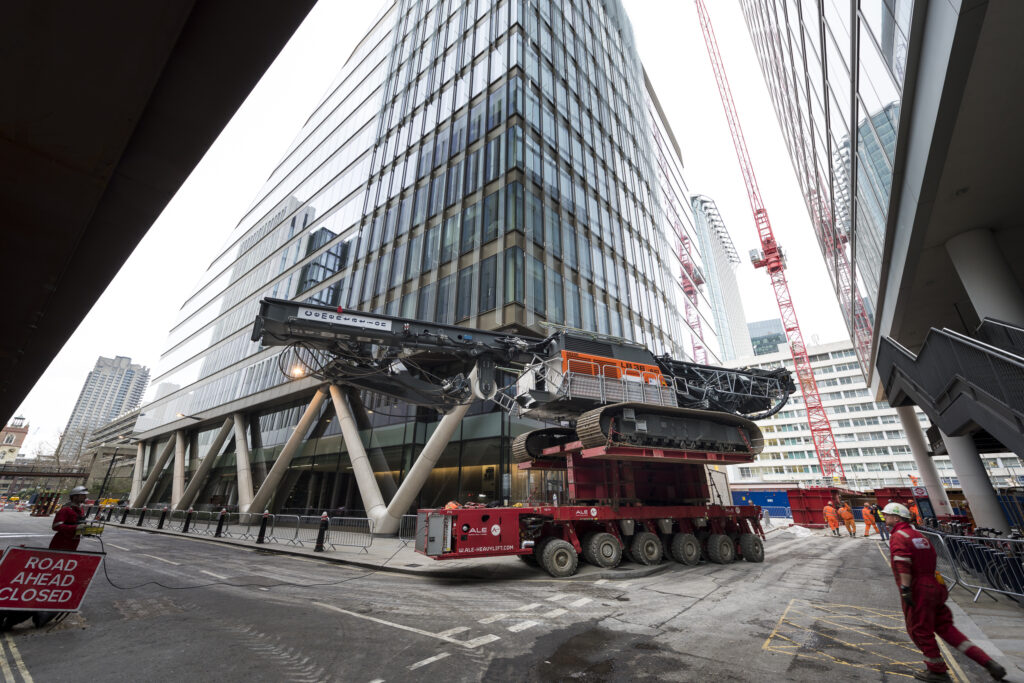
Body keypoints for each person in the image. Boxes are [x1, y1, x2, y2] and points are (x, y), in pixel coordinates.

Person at [882, 503, 1006, 681]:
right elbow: (932, 557)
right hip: (934, 585)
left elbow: (903, 563)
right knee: (947, 629)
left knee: (919, 630)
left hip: (918, 589)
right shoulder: (920, 536)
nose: (885, 518)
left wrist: (905, 588)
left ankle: (937, 670)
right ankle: (987, 662)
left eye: (887, 515)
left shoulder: (899, 536)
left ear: (896, 518)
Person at [49, 486, 88, 551]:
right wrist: (76, 527)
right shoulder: (66, 509)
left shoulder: (80, 509)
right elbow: (56, 526)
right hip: (61, 543)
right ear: (75, 497)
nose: (85, 497)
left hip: (74, 542)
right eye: (82, 495)